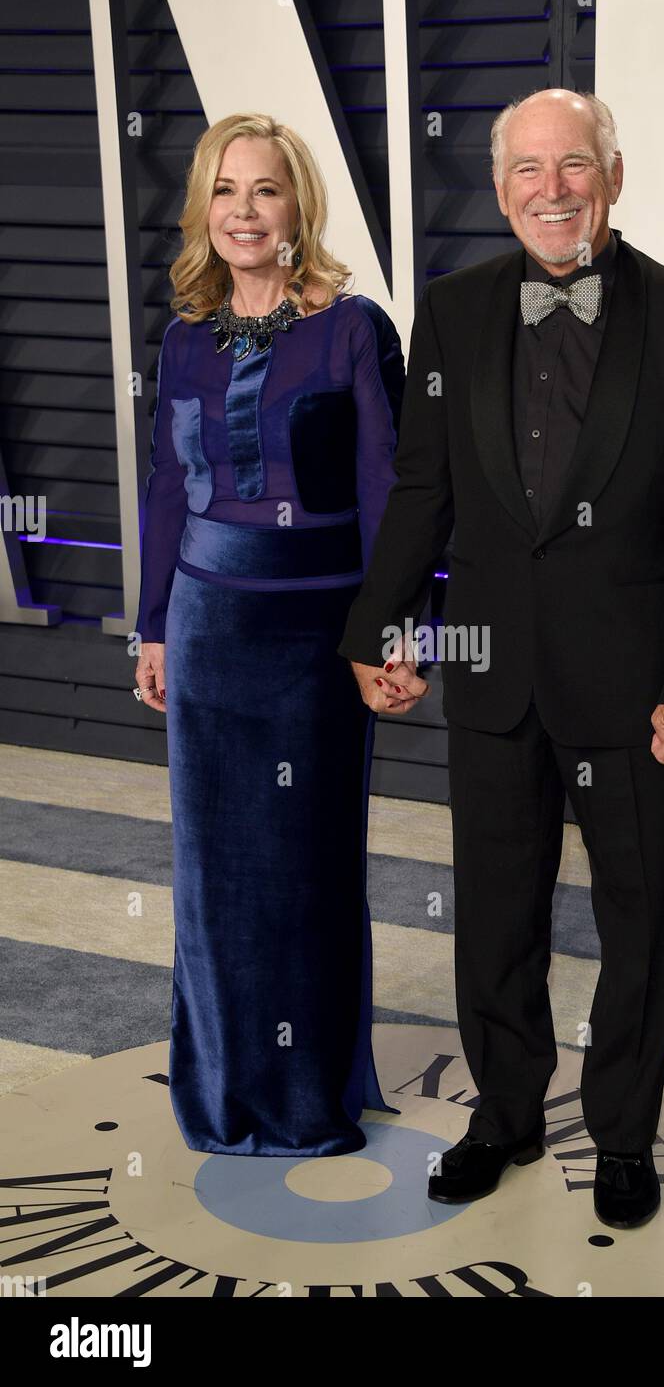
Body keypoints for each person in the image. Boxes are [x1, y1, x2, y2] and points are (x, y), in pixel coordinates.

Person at [337, 88, 664, 1226]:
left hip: (635, 685)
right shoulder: (454, 310)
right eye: (527, 168)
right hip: (491, 671)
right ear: (500, 181)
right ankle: (505, 1112)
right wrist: (380, 625)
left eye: (574, 164)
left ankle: (621, 1132)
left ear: (612, 176)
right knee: (495, 912)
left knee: (635, 920)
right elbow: (423, 492)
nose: (551, 188)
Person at [133, 112, 403, 1156]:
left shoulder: (351, 327)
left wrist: (385, 632)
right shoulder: (183, 336)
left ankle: (304, 1094)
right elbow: (168, 490)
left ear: (299, 207)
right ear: (206, 207)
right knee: (211, 865)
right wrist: (153, 628)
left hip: (317, 634)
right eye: (228, 190)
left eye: (267, 190)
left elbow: (387, 486)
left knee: (305, 860)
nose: (246, 211)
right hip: (206, 628)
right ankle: (222, 1089)